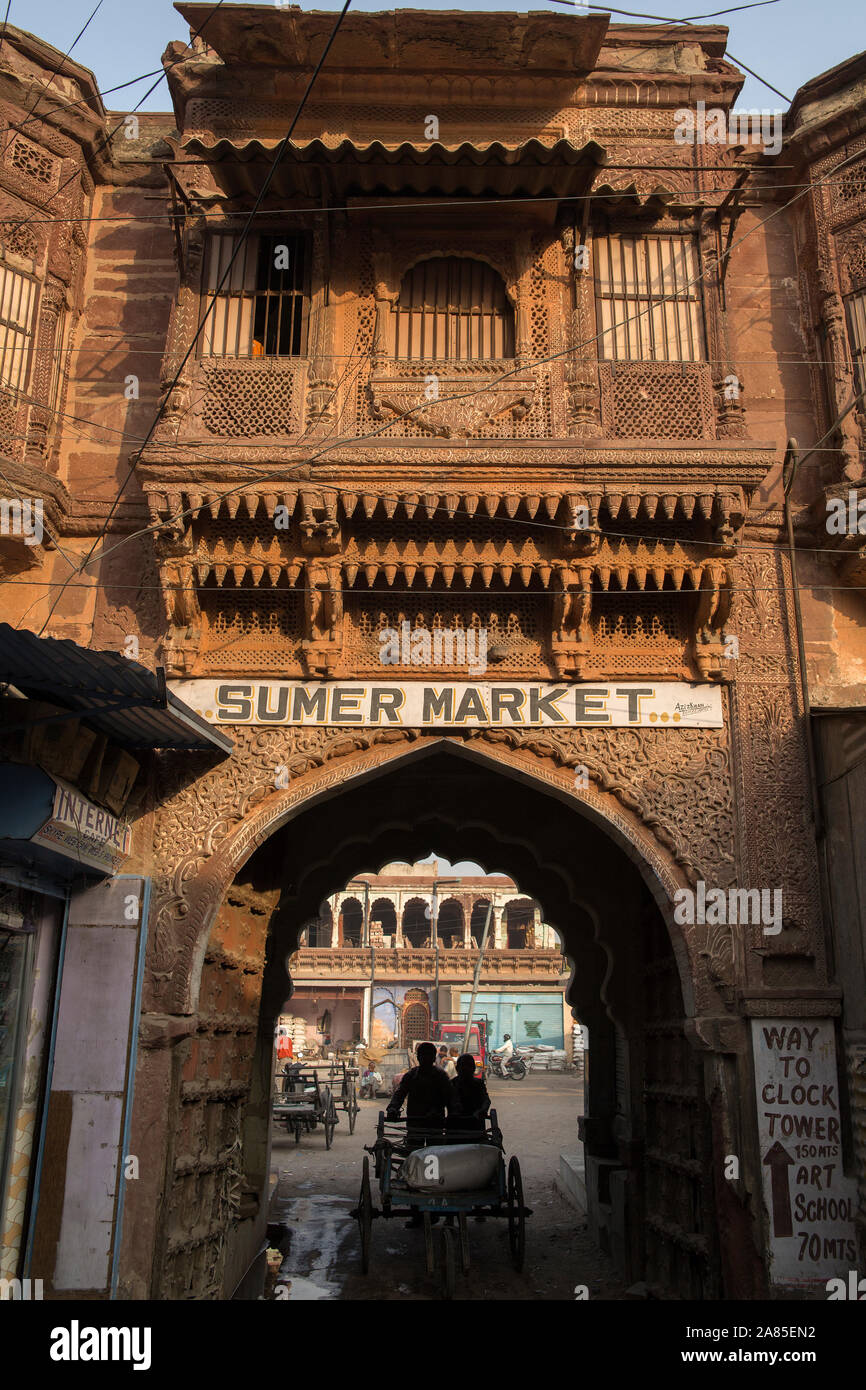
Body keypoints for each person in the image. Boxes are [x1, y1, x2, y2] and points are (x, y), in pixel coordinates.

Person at [386, 1041, 453, 1228]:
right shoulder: (411, 1076)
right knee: (414, 1165)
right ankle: (417, 1213)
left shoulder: (441, 1076)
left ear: (433, 1057)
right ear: (418, 1057)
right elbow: (400, 1094)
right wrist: (392, 1109)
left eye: (428, 1056)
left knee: (436, 1166)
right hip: (415, 1126)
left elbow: (450, 1099)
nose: (425, 1059)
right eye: (422, 1055)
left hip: (435, 1127)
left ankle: (435, 1209)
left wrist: (454, 1114)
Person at [449, 1054, 490, 1131]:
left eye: (468, 1066)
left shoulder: (479, 1084)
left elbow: (486, 1101)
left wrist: (481, 1111)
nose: (466, 1069)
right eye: (464, 1066)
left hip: (474, 1126)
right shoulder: (452, 1084)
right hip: (457, 1126)